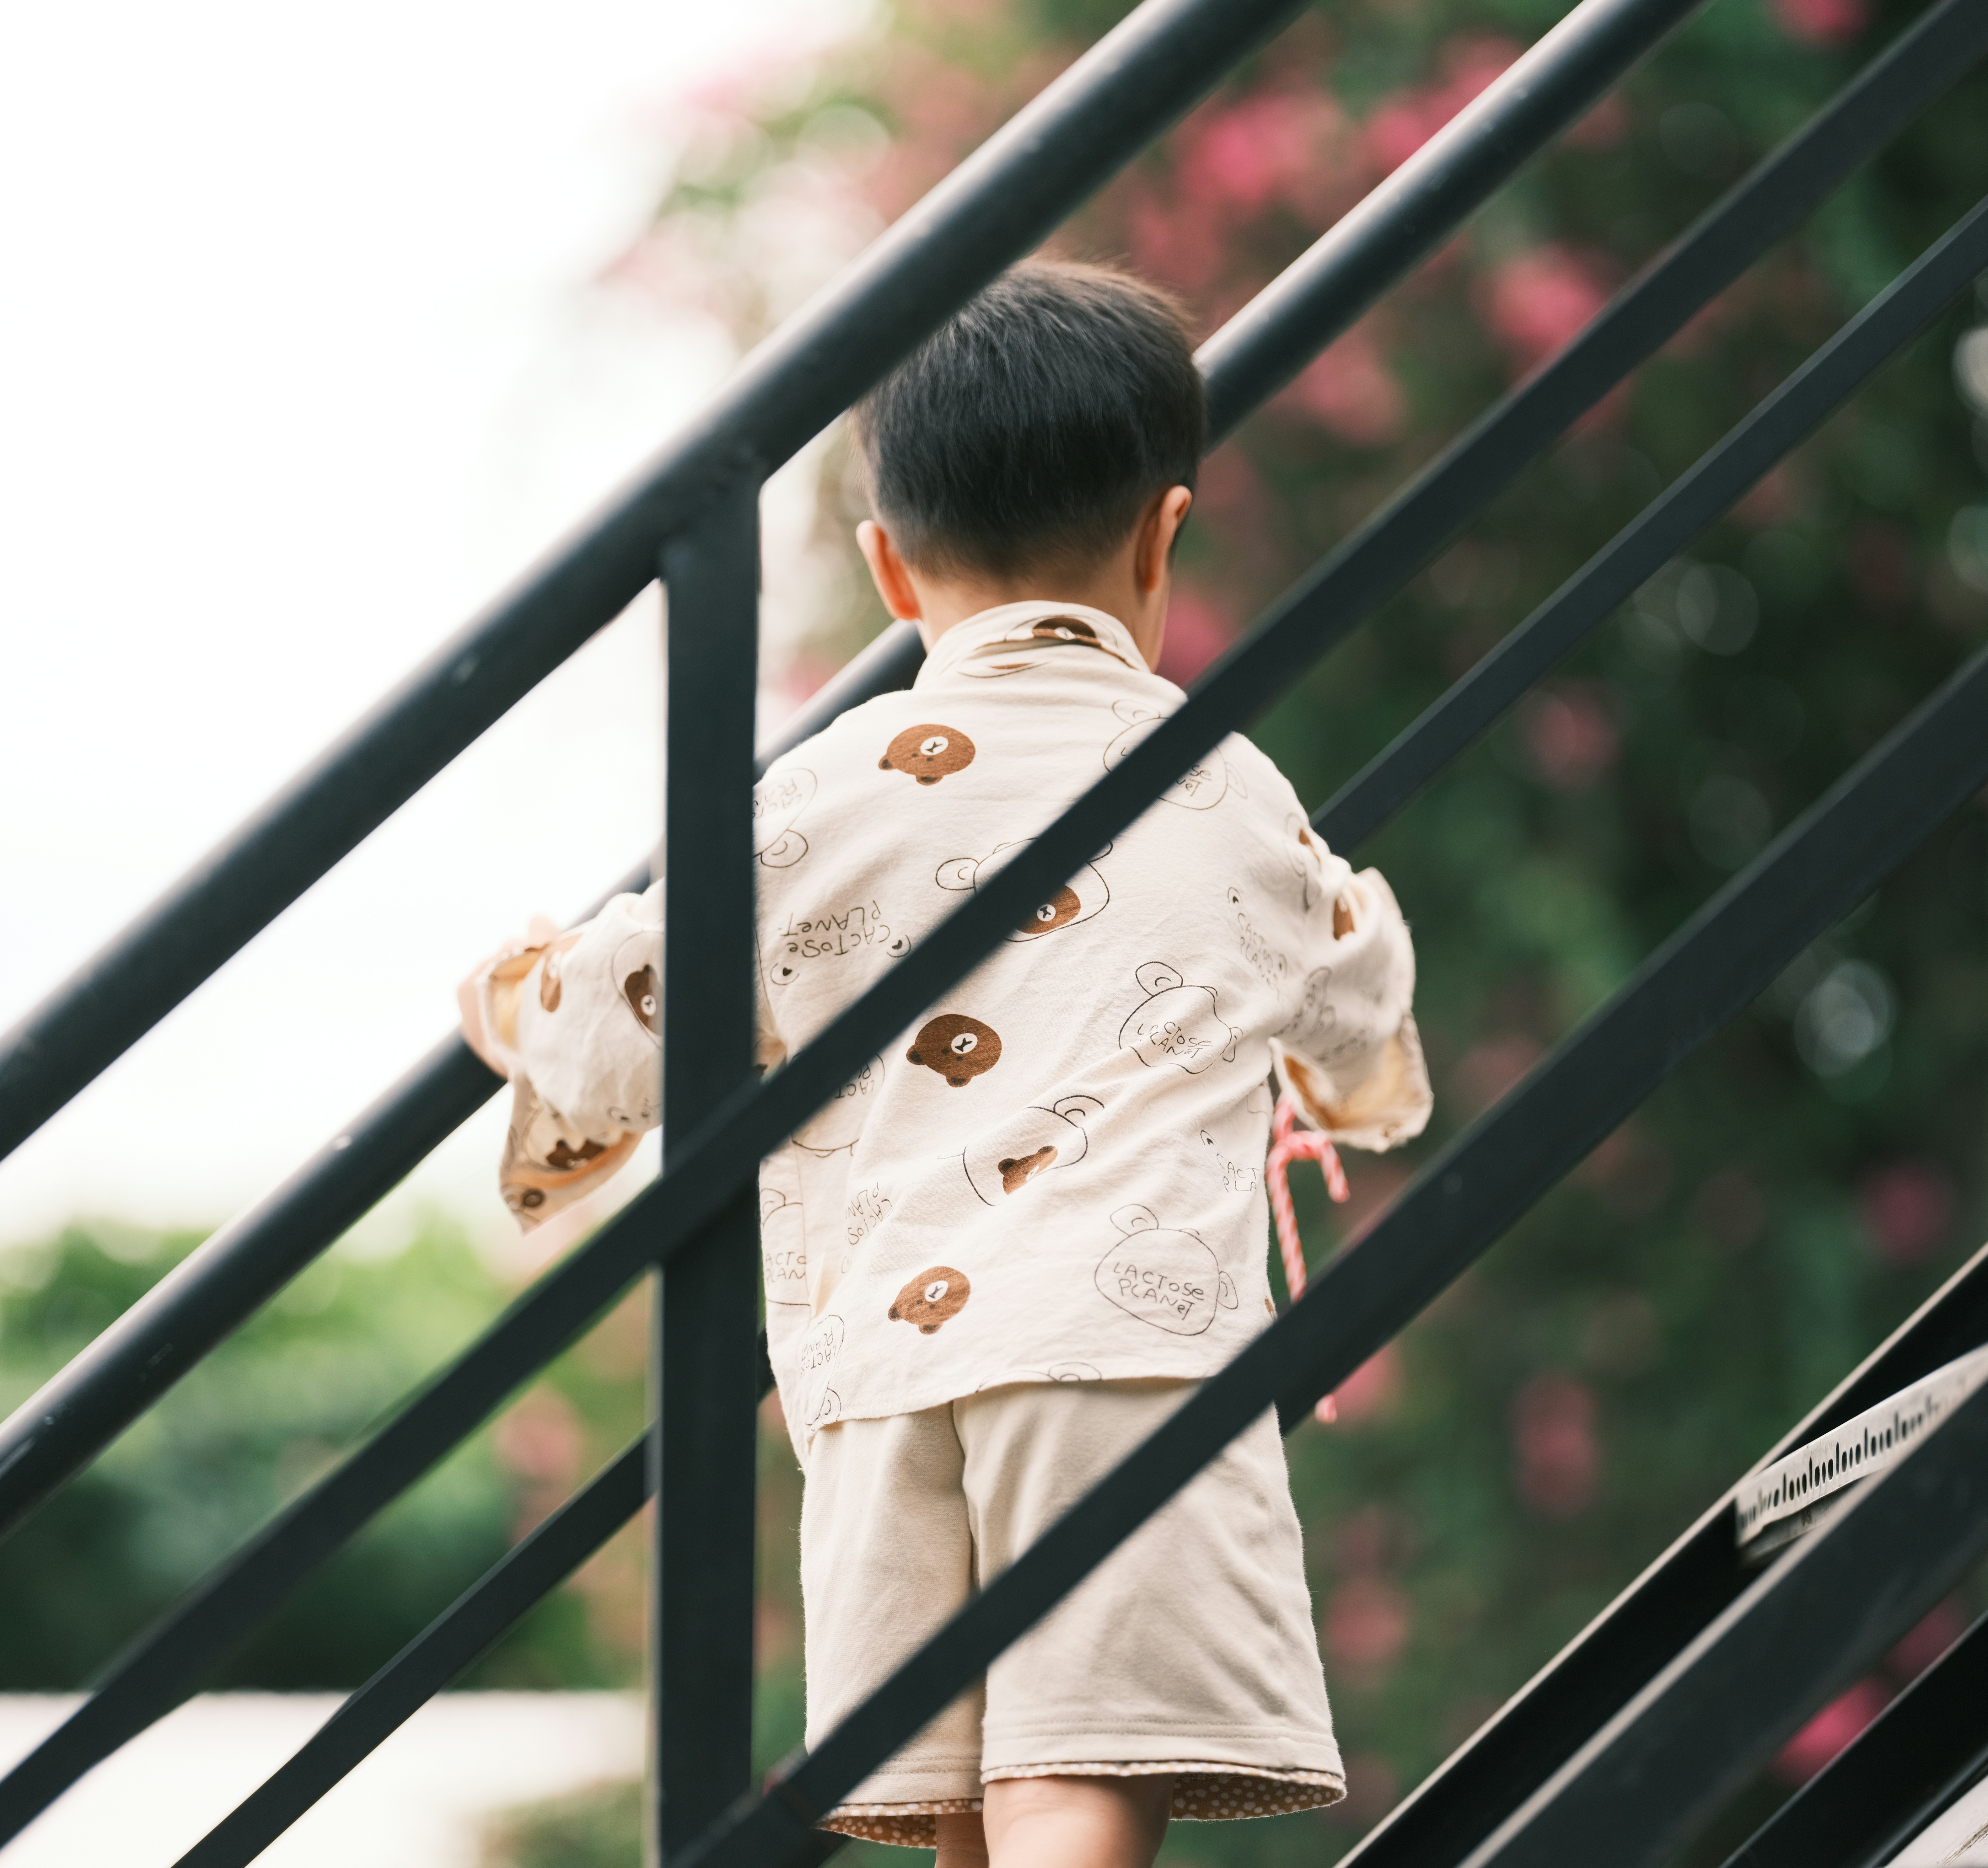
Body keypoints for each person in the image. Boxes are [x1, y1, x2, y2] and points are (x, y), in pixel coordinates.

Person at [459, 260, 1432, 1868]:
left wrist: (507, 1003)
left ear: (888, 570)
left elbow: (618, 1003)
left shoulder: (817, 801)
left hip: (882, 1371)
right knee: (1075, 1787)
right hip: (1127, 1343)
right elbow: (1356, 985)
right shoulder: (1228, 786)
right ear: (1162, 538)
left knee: (955, 1807)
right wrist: (1353, 1084)